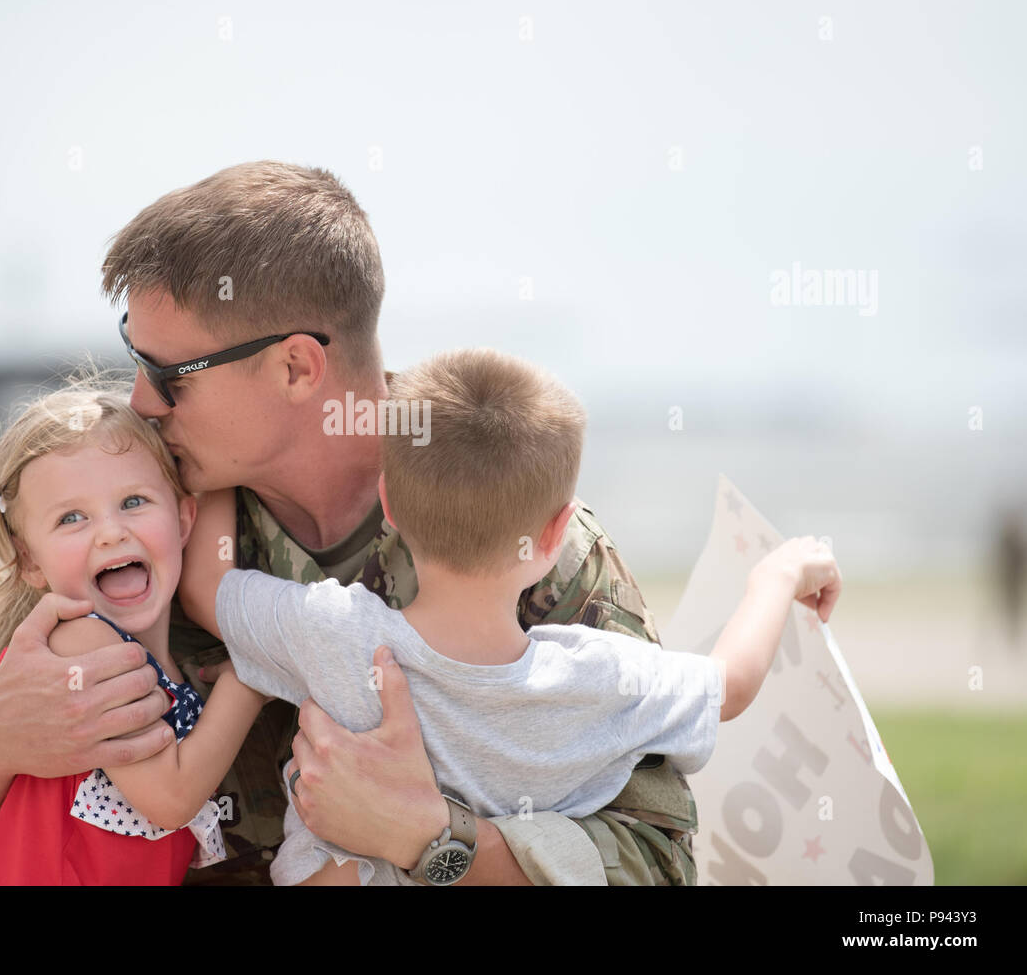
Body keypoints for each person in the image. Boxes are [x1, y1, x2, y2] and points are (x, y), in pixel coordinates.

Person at [0, 161, 701, 886]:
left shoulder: (509, 535)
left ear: (297, 367)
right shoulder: (125, 505)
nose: (139, 402)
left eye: (170, 375)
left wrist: (434, 844)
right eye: (133, 357)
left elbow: (660, 862)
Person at [176, 348, 844, 885]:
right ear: (556, 535)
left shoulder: (332, 632)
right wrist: (775, 577)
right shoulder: (596, 678)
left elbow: (209, 587)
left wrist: (215, 460)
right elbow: (730, 685)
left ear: (389, 502)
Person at [0, 378, 267, 884]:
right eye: (72, 517)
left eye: (135, 502)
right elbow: (170, 799)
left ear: (186, 519)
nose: (112, 531)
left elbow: (213, 514)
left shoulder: (147, 659)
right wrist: (247, 682)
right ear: (29, 559)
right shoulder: (82, 645)